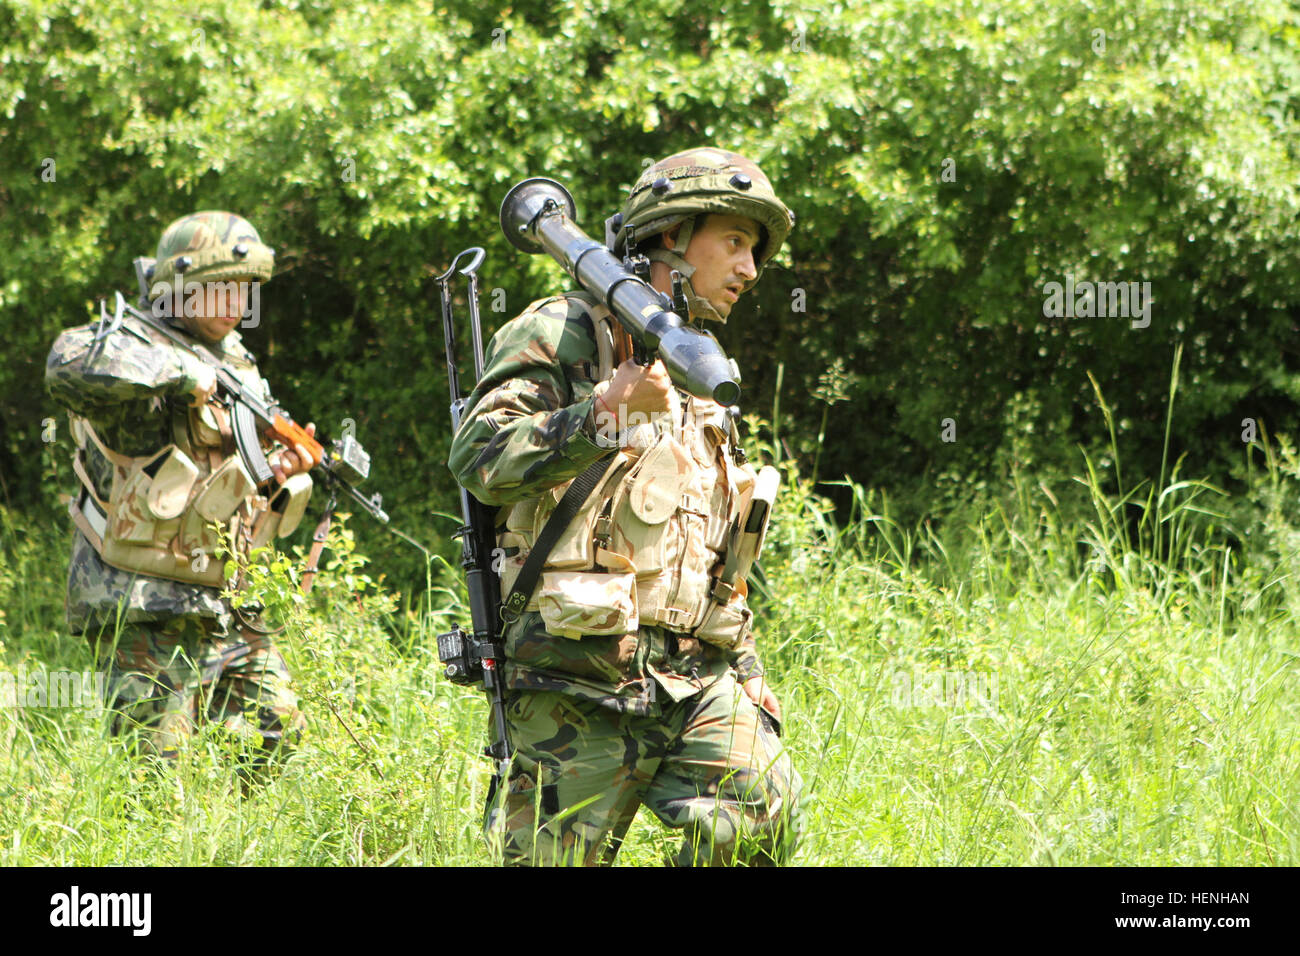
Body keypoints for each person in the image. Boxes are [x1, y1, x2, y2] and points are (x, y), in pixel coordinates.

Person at [448, 148, 803, 865]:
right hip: (574, 683)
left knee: (764, 814)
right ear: (672, 233)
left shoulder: (702, 367)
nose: (750, 269)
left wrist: (748, 673)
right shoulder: (564, 329)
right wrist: (603, 414)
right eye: (735, 241)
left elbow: (711, 545)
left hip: (694, 679)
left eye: (755, 252)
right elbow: (478, 457)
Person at [45, 211, 317, 770]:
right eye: (222, 288)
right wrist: (180, 373)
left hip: (223, 596)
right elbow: (65, 362)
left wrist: (278, 467)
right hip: (141, 597)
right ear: (182, 285)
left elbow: (226, 471)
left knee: (277, 729)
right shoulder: (131, 338)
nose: (237, 303)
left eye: (245, 289)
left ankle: (236, 828)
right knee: (155, 768)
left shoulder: (238, 360)